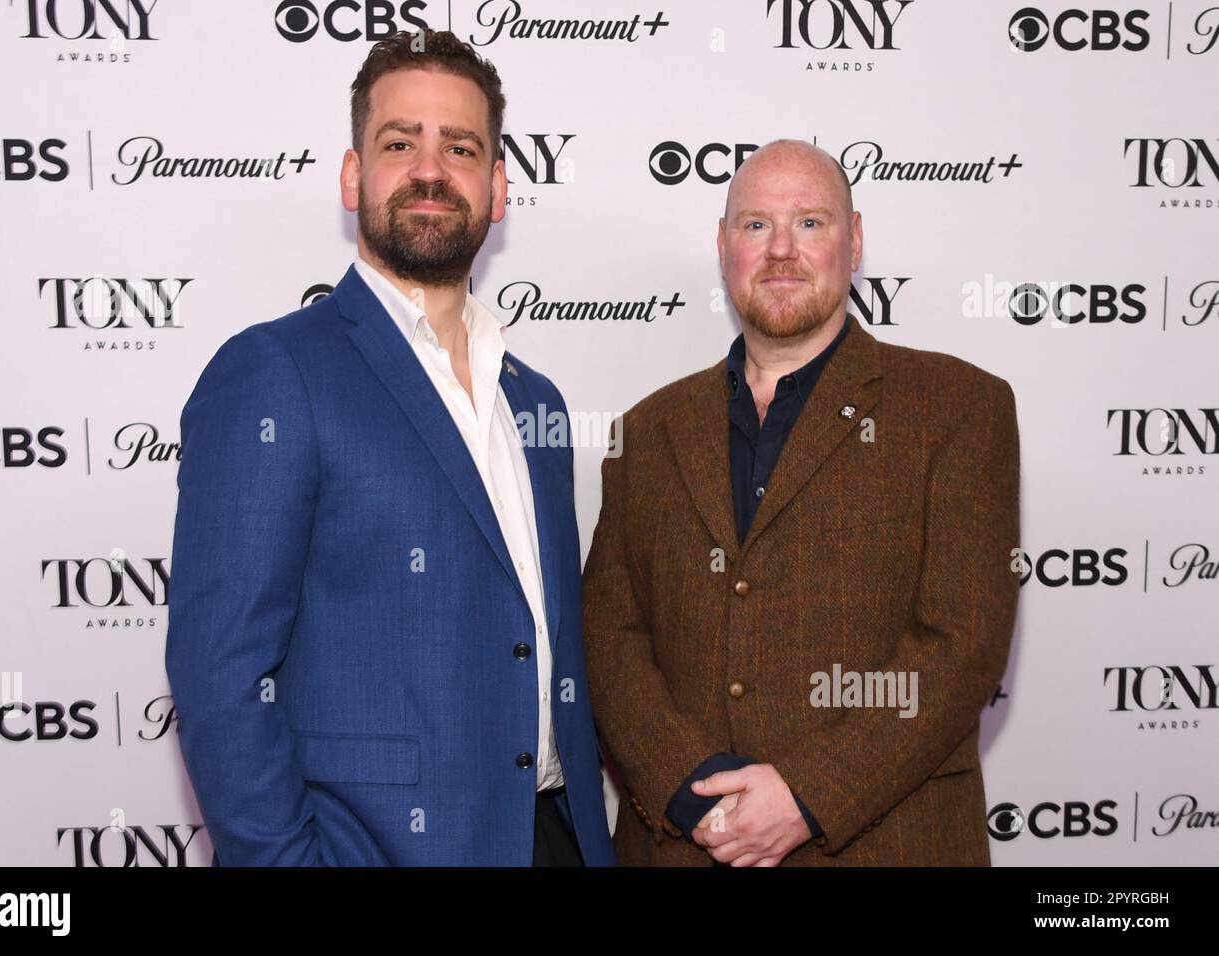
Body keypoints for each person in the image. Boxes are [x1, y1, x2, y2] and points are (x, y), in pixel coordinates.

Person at [166, 28, 613, 867]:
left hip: (555, 838)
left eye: (462, 147)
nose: (431, 169)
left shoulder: (535, 401)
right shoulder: (275, 372)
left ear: (500, 188)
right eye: (399, 142)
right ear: (352, 176)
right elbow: (222, 672)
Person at [582, 139, 1020, 866]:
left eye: (810, 223)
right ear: (724, 247)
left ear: (854, 243)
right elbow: (608, 634)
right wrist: (692, 791)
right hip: (687, 845)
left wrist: (808, 794)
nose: (781, 250)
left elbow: (961, 646)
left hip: (886, 845)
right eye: (756, 225)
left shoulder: (958, 409)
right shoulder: (647, 431)